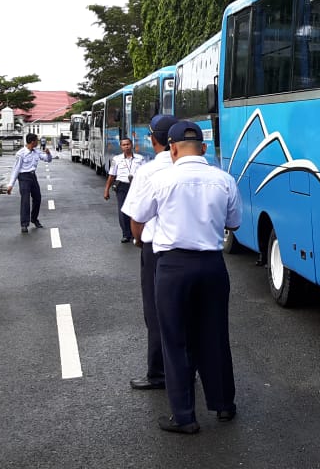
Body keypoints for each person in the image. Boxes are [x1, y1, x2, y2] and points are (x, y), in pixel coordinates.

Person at [123, 120, 242, 435]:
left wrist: (138, 241)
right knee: (214, 336)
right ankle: (224, 406)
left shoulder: (161, 179)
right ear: (203, 148)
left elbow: (138, 220)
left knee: (175, 340)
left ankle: (184, 416)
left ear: (172, 148)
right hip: (213, 267)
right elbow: (235, 223)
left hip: (173, 267)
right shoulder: (224, 180)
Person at [121, 115, 178, 392]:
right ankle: (184, 368)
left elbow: (136, 217)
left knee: (156, 313)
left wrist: (138, 240)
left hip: (156, 250)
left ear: (153, 139)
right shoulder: (202, 169)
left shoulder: (148, 171)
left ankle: (158, 373)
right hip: (193, 253)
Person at [5, 133, 52, 233]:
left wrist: (48, 153)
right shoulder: (20, 154)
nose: (38, 142)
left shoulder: (36, 151)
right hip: (23, 177)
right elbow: (16, 169)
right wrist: (10, 185)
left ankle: (34, 219)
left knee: (38, 198)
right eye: (36, 140)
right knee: (25, 200)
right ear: (32, 142)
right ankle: (24, 224)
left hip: (32, 176)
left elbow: (47, 159)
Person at [105, 137, 145, 243]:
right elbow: (112, 175)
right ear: (121, 147)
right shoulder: (116, 159)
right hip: (122, 186)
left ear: (131, 145)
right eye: (124, 145)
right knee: (123, 210)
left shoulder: (140, 159)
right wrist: (106, 190)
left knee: (135, 210)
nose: (126, 146)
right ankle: (126, 234)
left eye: (128, 144)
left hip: (136, 186)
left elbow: (145, 175)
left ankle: (135, 233)